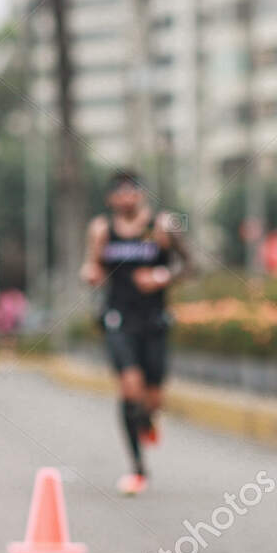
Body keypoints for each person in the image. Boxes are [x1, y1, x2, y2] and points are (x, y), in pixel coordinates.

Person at [79, 170, 187, 496]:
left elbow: (191, 264)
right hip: (118, 319)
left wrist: (162, 276)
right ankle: (138, 469)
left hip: (154, 320)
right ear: (111, 199)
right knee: (130, 387)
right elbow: (93, 267)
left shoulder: (163, 227)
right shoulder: (101, 230)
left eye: (132, 191)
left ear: (141, 195)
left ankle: (148, 420)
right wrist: (91, 273)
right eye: (120, 193)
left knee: (152, 397)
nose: (126, 198)